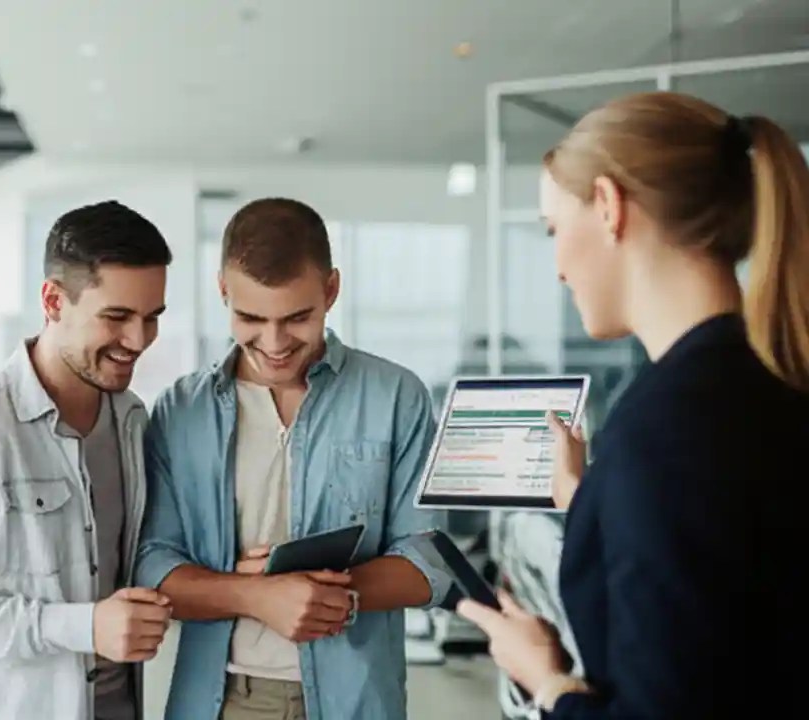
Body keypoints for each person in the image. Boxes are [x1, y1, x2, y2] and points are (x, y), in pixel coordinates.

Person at [457, 91, 807, 718]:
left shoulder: (662, 430)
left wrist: (548, 682)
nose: (558, 267)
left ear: (611, 208)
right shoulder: (769, 385)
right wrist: (589, 497)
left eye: (554, 230)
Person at [135, 198, 453, 720]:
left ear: (331, 290)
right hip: (220, 701)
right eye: (250, 317)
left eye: (298, 317)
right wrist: (257, 596)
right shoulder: (181, 410)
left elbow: (431, 564)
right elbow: (153, 566)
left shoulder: (396, 396)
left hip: (356, 703)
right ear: (223, 292)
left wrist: (322, 596)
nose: (275, 342)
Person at [0, 200, 177, 720]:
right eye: (116, 317)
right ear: (53, 301)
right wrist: (83, 626)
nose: (138, 341)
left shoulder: (134, 420)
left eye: (151, 318)